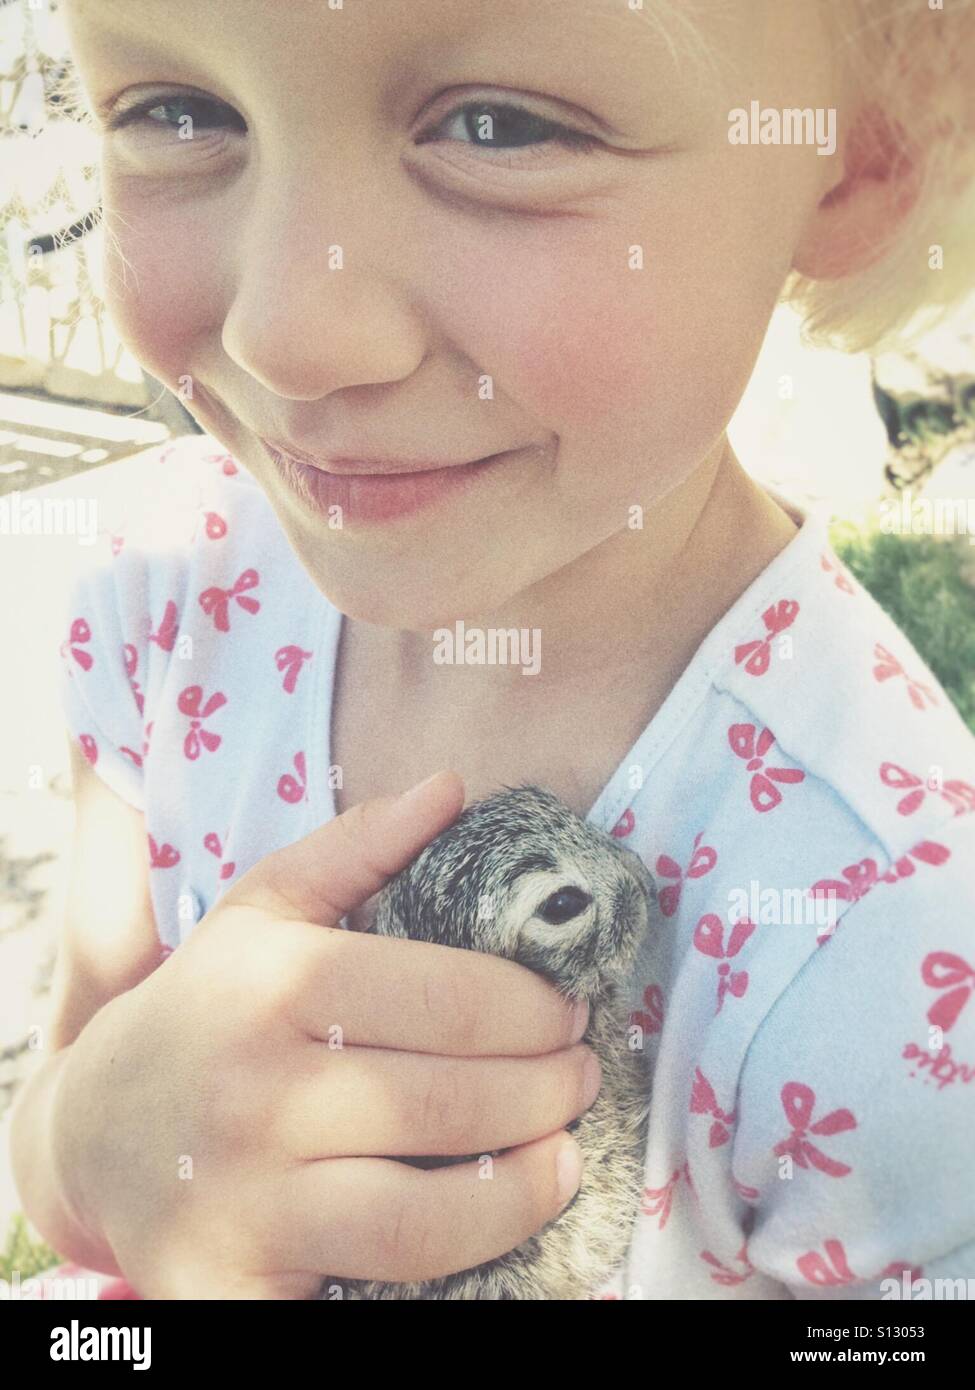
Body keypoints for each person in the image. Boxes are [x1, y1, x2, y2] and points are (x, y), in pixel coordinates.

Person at [11, 0, 975, 1299]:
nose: (286, 335)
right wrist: (95, 1142)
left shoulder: (896, 951)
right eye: (180, 112)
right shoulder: (168, 583)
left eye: (500, 126)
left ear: (869, 147)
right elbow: (71, 1101)